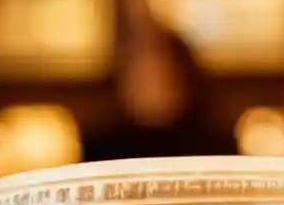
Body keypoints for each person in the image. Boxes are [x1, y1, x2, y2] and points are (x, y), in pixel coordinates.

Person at [84, 25, 237, 162]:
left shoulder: (215, 149)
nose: (153, 86)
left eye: (163, 76)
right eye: (143, 77)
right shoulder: (102, 151)